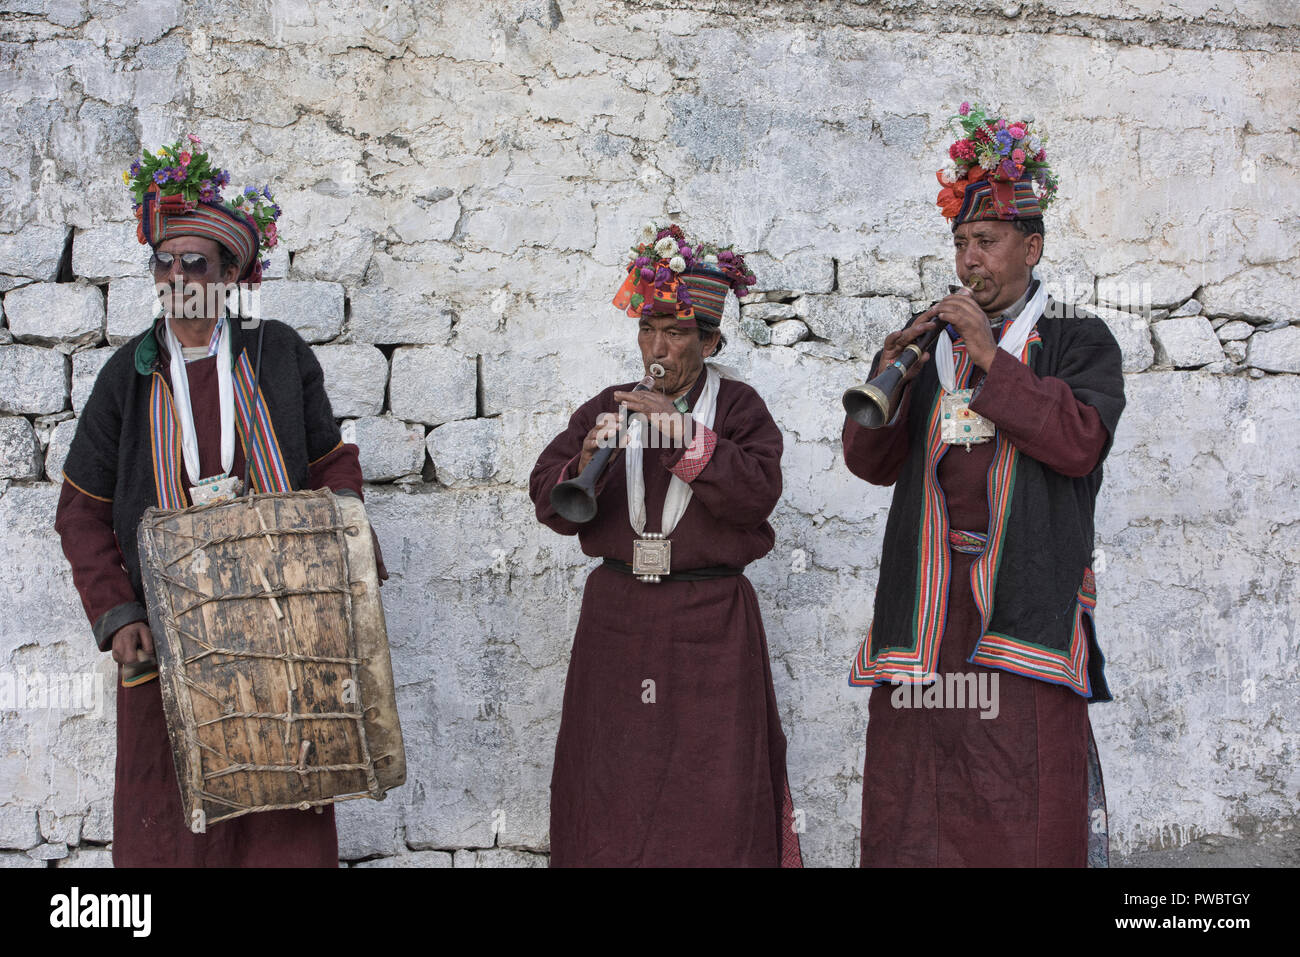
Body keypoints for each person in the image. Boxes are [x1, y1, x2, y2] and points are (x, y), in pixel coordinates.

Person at [55, 136, 380, 866]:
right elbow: (79, 510)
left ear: (230, 272)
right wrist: (118, 614)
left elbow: (333, 466)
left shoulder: (280, 354)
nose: (175, 277)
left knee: (282, 814)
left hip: (282, 626)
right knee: (172, 826)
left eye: (194, 263)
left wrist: (343, 554)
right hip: (171, 635)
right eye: (163, 263)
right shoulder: (127, 377)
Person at [843, 104, 1126, 867]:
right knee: (918, 794)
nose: (970, 261)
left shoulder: (1079, 339)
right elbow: (871, 465)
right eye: (962, 243)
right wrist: (889, 374)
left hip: (1021, 604)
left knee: (1020, 797)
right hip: (929, 607)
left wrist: (991, 358)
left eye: (989, 241)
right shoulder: (930, 344)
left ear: (1031, 247)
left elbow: (1078, 441)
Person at [529, 223, 802, 866]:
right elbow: (551, 502)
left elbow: (755, 494)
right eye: (648, 328)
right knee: (611, 783)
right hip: (619, 619)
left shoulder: (738, 408)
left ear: (710, 340)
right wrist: (586, 460)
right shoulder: (608, 404)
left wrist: (679, 434)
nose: (657, 345)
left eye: (677, 332)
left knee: (715, 790)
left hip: (712, 625)